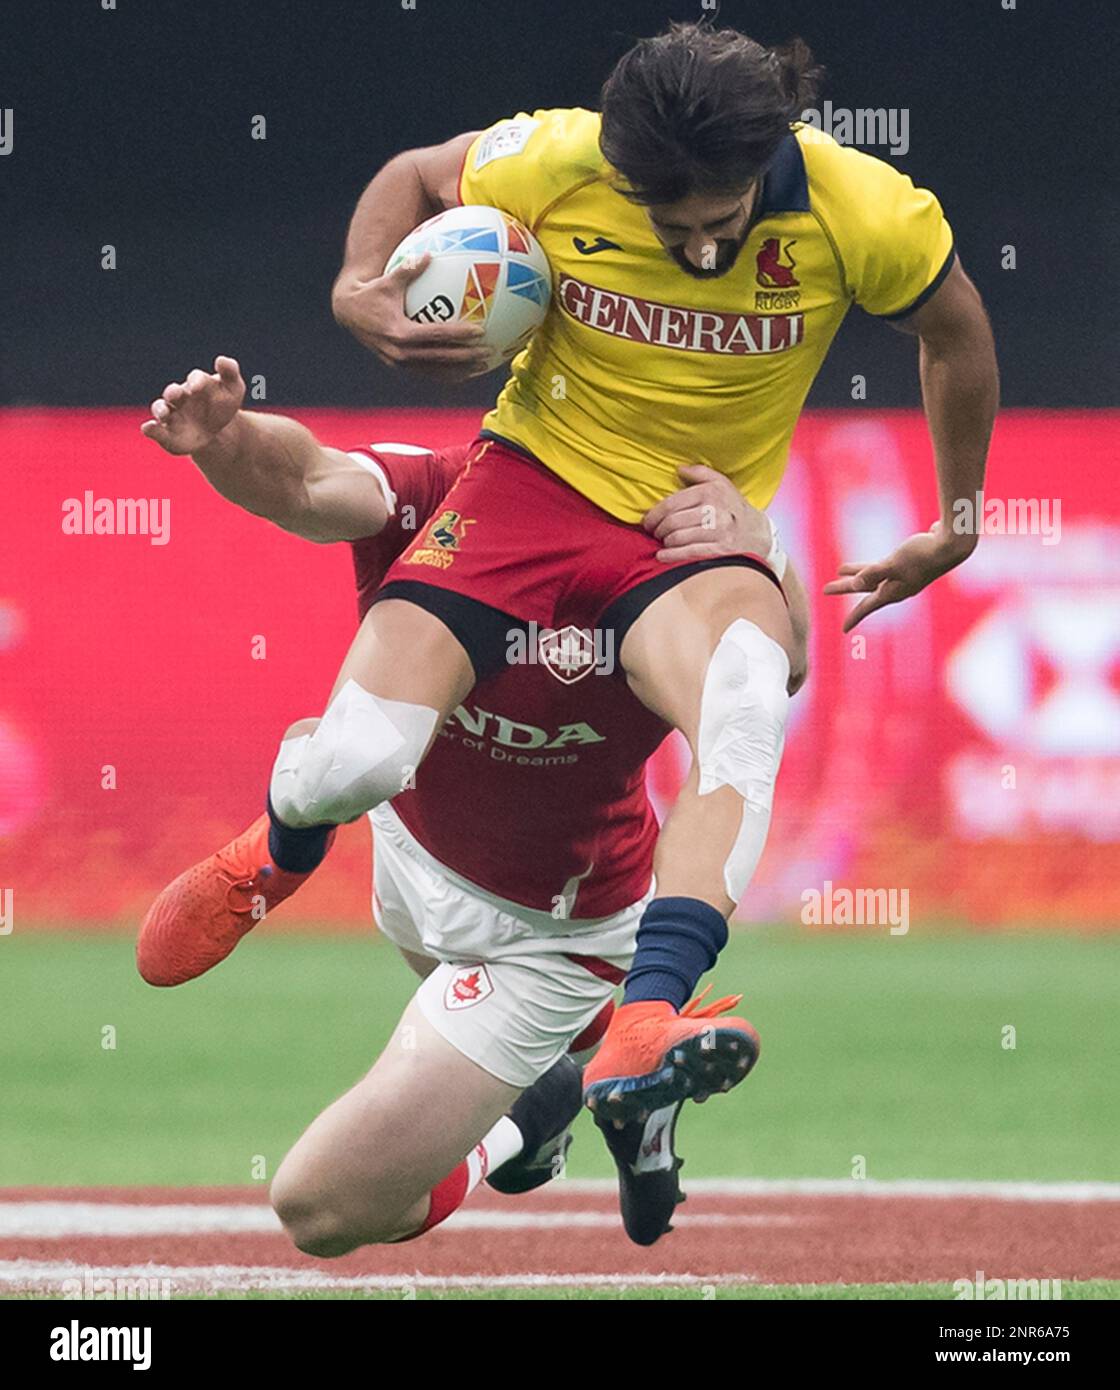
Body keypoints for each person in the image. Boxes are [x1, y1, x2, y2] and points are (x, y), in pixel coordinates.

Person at [144, 19, 997, 1253]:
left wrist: (953, 520)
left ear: (773, 156)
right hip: (532, 484)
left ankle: (644, 1020)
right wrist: (354, 293)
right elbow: (410, 181)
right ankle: (282, 850)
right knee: (356, 762)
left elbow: (955, 329)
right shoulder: (556, 161)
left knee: (751, 699)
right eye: (667, 218)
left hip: (679, 534)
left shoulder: (865, 211)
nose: (699, 244)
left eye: (722, 216)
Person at [136, 357, 809, 1248]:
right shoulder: (452, 495)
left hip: (550, 937)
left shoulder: (671, 546)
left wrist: (767, 545)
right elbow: (306, 479)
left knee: (321, 1208)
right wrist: (225, 441)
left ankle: (535, 1118)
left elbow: (781, 666)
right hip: (405, 840)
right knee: (331, 741)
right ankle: (285, 845)